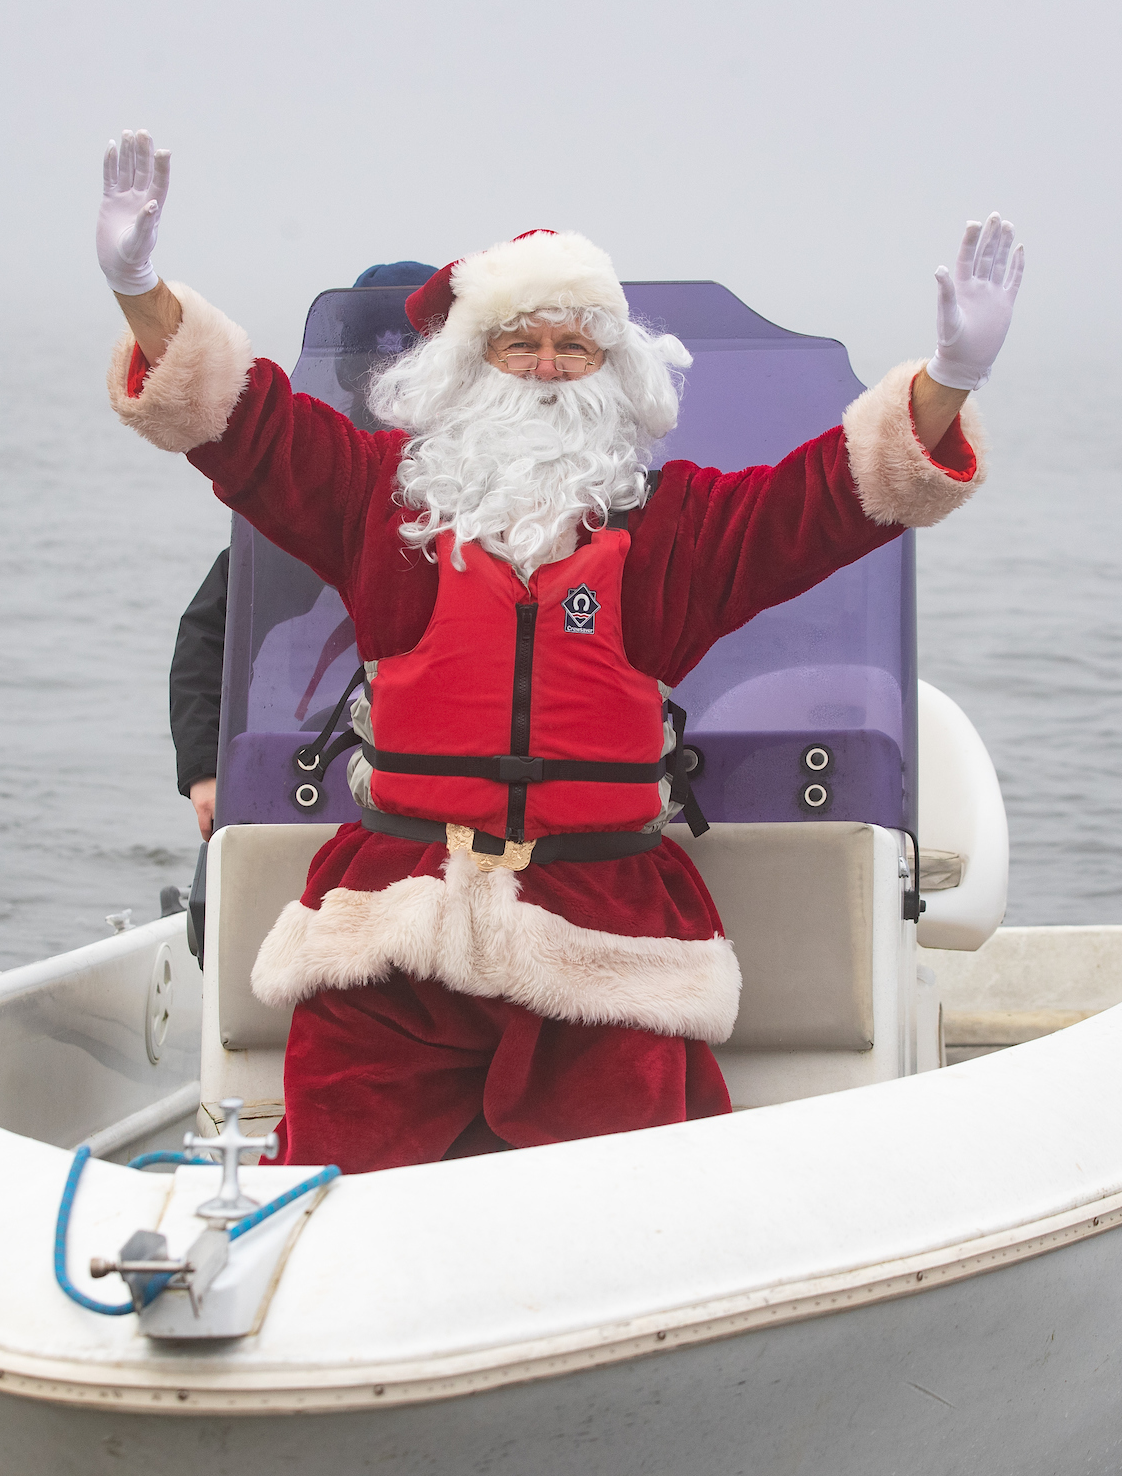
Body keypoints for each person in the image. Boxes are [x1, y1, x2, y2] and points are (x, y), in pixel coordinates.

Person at [96, 129, 1024, 1173]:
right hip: (396, 925)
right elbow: (244, 425)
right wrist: (140, 292)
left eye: (572, 348)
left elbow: (817, 506)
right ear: (470, 362)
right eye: (518, 345)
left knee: (644, 1196)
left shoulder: (669, 530)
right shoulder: (378, 502)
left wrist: (943, 383)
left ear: (610, 372)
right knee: (327, 1173)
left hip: (604, 938)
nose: (544, 369)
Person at [167, 261, 442, 844]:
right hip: (304, 776)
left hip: (448, 787)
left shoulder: (493, 499)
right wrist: (205, 770)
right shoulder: (321, 493)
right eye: (375, 363)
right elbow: (211, 634)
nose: (394, 384)